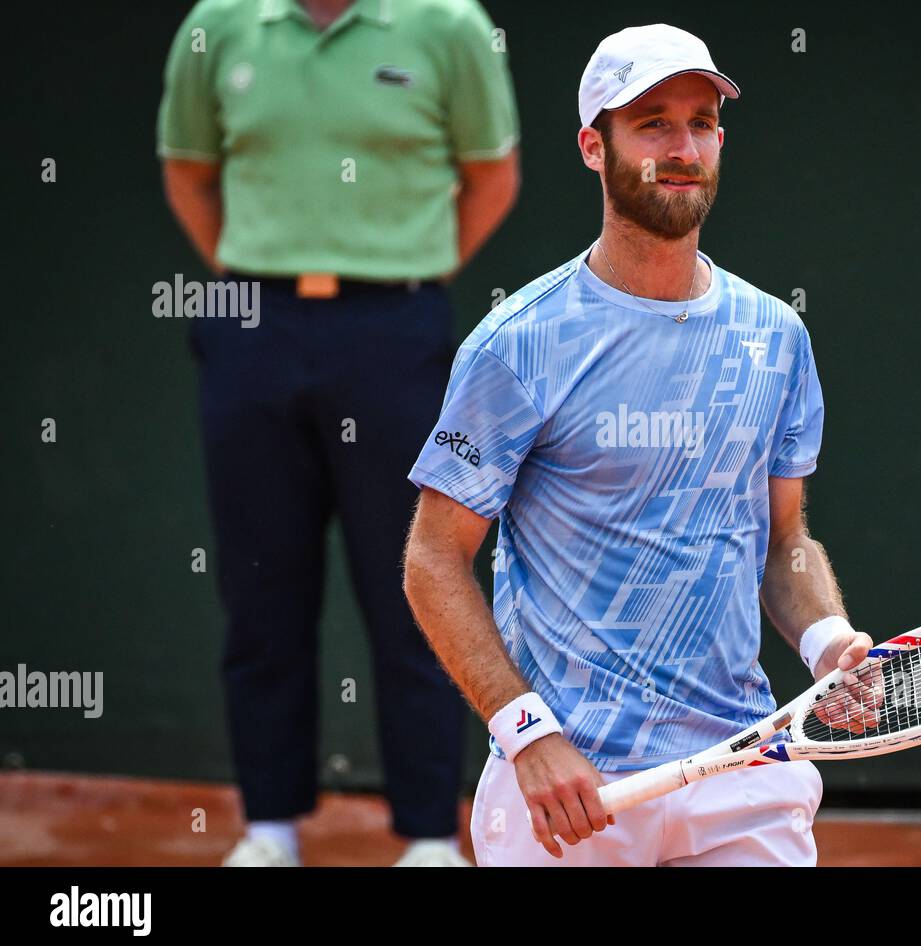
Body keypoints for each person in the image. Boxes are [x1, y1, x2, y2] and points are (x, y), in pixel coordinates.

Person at [403, 23, 875, 866]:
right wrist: (526, 733)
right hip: (570, 788)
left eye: (701, 122)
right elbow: (434, 562)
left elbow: (783, 540)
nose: (683, 145)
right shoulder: (517, 345)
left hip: (742, 773)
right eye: (652, 122)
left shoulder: (775, 337)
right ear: (595, 147)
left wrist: (825, 640)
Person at [157, 0, 520, 866]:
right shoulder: (220, 25)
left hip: (395, 331)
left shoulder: (450, 27)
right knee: (259, 589)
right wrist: (254, 279)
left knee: (418, 586)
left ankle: (432, 836)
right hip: (253, 322)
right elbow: (187, 169)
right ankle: (270, 830)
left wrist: (404, 277)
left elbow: (493, 174)